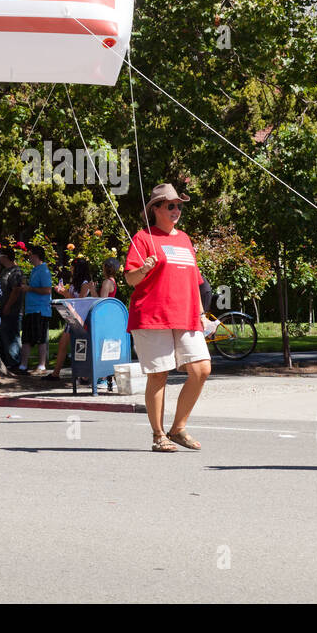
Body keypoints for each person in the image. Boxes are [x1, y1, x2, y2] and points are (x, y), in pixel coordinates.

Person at [124, 183, 211, 452]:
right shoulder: (142, 237)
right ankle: (158, 435)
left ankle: (178, 428)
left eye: (179, 206)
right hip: (153, 315)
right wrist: (145, 269)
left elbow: (194, 281)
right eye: (170, 205)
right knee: (159, 375)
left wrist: (201, 314)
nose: (176, 210)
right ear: (156, 209)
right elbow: (130, 279)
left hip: (186, 315)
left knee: (202, 369)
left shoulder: (184, 239)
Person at [48, 258, 98, 380]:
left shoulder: (85, 283)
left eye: (72, 267)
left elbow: (79, 301)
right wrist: (63, 292)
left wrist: (65, 293)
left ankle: (80, 375)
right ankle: (57, 373)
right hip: (71, 315)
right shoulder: (75, 282)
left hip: (78, 317)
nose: (71, 269)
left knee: (76, 345)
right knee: (64, 344)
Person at [17, 245, 53, 374]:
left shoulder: (43, 270)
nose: (29, 257)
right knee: (26, 338)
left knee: (40, 338)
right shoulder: (35, 270)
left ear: (36, 256)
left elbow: (47, 290)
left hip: (40, 310)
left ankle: (42, 365)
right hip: (30, 310)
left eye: (30, 254)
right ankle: (23, 365)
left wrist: (30, 289)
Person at [0, 248, 25, 369]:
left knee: (11, 337)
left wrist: (8, 306)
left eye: (0, 255)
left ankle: (15, 362)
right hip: (2, 311)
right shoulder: (4, 271)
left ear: (5, 257)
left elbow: (16, 290)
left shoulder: (15, 271)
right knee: (2, 336)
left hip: (12, 311)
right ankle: (6, 362)